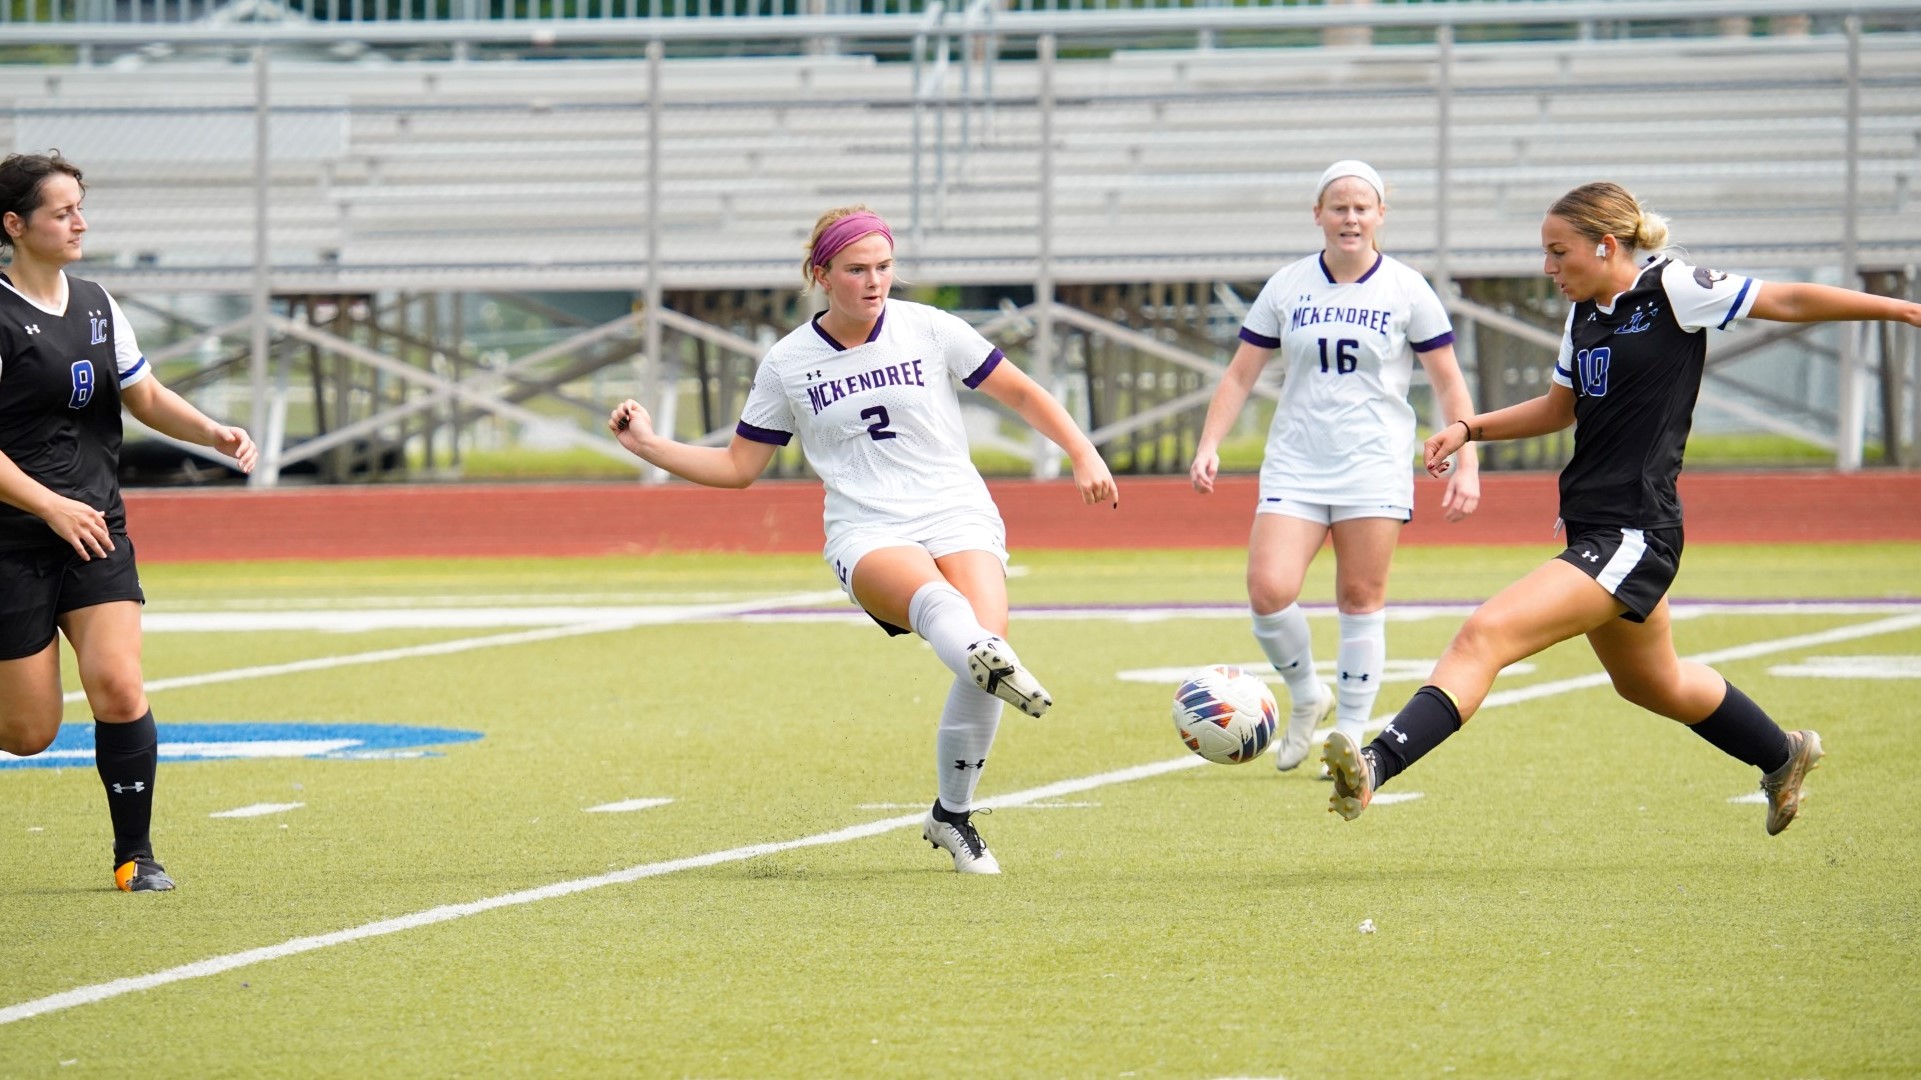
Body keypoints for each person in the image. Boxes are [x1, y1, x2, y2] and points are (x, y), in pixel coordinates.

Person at [1324, 180, 1921, 833]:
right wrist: (1470, 429)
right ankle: (1783, 754)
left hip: (1633, 531)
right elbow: (1558, 408)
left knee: (1484, 635)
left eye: (1559, 252)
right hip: (1596, 526)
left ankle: (1376, 764)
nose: (1548, 267)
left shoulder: (1674, 287)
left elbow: (1787, 298)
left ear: (1606, 245)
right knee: (1650, 682)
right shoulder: (1582, 315)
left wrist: (1899, 310)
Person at [610, 205, 1117, 875]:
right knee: (958, 626)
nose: (874, 281)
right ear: (821, 275)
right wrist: (649, 445)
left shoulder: (929, 327)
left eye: (883, 267)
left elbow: (1021, 393)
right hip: (867, 527)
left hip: (956, 510)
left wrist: (1082, 452)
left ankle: (952, 817)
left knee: (983, 647)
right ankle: (979, 672)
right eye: (856, 270)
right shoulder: (788, 362)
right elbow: (737, 467)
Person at [0, 151, 259, 891]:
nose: (79, 222)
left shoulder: (96, 301)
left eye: (80, 208)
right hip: (14, 538)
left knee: (117, 684)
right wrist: (46, 504)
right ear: (14, 225)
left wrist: (210, 432)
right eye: (62, 212)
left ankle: (135, 855)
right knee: (28, 733)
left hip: (95, 529)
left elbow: (142, 394)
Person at [1189, 160, 1480, 775]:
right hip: (1296, 460)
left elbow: (1449, 382)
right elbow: (1240, 374)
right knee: (1269, 591)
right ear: (1318, 214)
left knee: (1360, 597)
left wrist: (1467, 462)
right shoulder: (1288, 285)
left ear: (1380, 215)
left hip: (1373, 462)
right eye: (1339, 207)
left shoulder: (1406, 288)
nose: (1350, 218)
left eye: (1361, 208)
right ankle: (1306, 695)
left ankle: (1348, 734)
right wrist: (1209, 442)